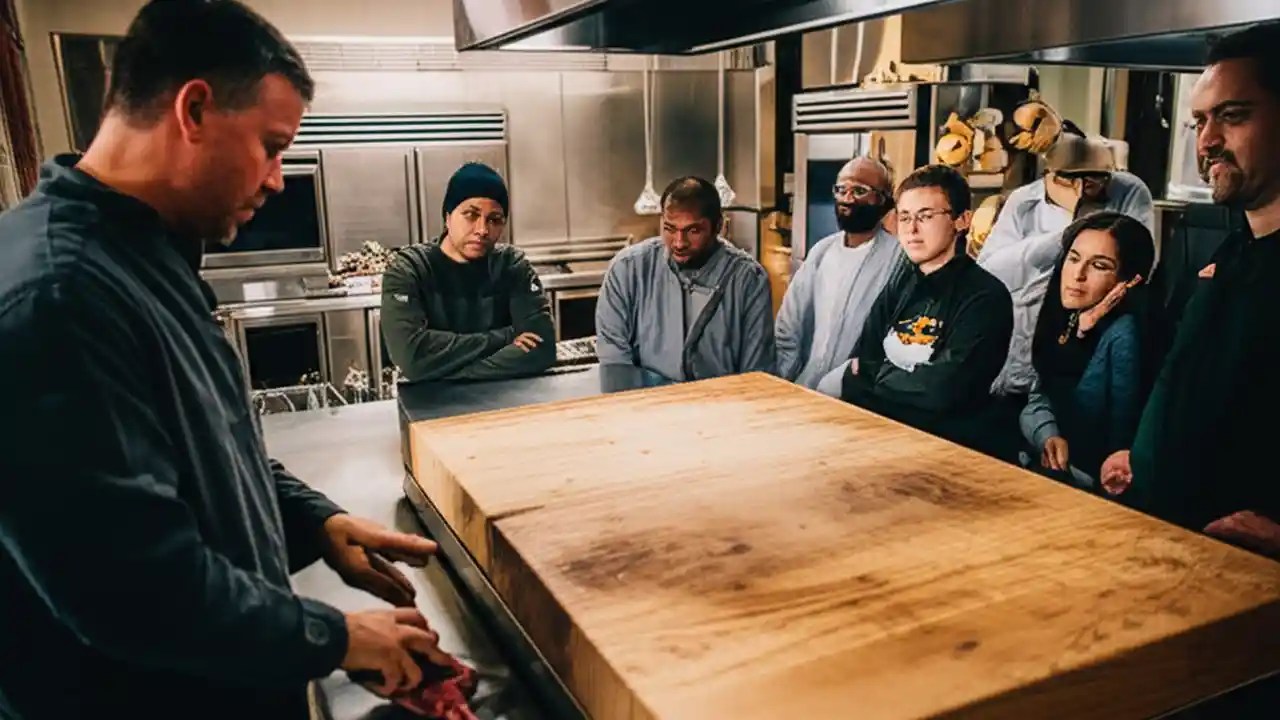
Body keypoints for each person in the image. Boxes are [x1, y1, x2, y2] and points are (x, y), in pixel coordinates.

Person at [0, 3, 450, 718]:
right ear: (195, 109)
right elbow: (127, 589)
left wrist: (315, 522)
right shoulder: (56, 296)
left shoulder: (148, 255)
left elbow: (206, 445)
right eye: (272, 146)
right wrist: (330, 636)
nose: (277, 178)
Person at [1103, 23, 1280, 559]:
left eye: (1232, 116)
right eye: (1199, 121)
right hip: (1175, 547)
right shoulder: (1233, 252)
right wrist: (1146, 452)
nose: (1206, 142)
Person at [977, 126, 1155, 459]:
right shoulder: (1025, 201)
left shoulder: (1129, 191)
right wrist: (1065, 236)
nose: (1085, 187)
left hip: (1092, 332)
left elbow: (1137, 255)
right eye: (1072, 179)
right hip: (1029, 341)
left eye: (1095, 179)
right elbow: (991, 270)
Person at [840, 165, 1013, 452]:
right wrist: (888, 379)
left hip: (948, 453)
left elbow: (945, 392)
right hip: (878, 443)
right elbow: (855, 371)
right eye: (905, 217)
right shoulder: (900, 283)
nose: (911, 229)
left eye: (926, 216)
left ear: (962, 220)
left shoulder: (986, 297)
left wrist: (875, 375)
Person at [595, 176, 775, 392]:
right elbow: (615, 367)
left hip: (723, 411)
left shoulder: (748, 281)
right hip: (645, 410)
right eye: (670, 228)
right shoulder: (627, 271)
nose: (679, 242)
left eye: (693, 231)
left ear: (719, 226)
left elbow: (757, 376)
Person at [381, 162, 555, 382]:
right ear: (447, 217)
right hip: (431, 410)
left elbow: (542, 349)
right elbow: (412, 356)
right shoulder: (410, 269)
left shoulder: (512, 266)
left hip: (508, 405)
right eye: (471, 215)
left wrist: (445, 373)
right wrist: (507, 337)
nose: (482, 230)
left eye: (494, 220)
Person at [1019, 212, 1155, 490]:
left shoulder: (1125, 334)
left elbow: (1120, 441)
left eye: (1099, 265)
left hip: (1090, 482)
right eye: (1073, 258)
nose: (1077, 275)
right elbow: (1040, 389)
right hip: (1045, 461)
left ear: (1129, 281)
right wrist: (1046, 434)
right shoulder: (1068, 315)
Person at [775, 156, 906, 390]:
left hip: (860, 397)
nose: (847, 198)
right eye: (841, 189)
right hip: (805, 390)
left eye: (859, 190)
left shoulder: (899, 259)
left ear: (883, 200)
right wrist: (784, 383)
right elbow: (789, 327)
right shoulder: (821, 252)